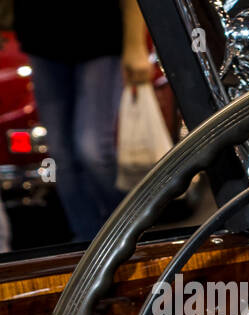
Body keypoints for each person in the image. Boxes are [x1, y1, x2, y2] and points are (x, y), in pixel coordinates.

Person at [14, 1, 152, 242]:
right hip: (40, 41)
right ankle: (86, 241)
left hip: (99, 38)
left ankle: (126, 232)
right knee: (60, 153)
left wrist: (135, 45)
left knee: (92, 149)